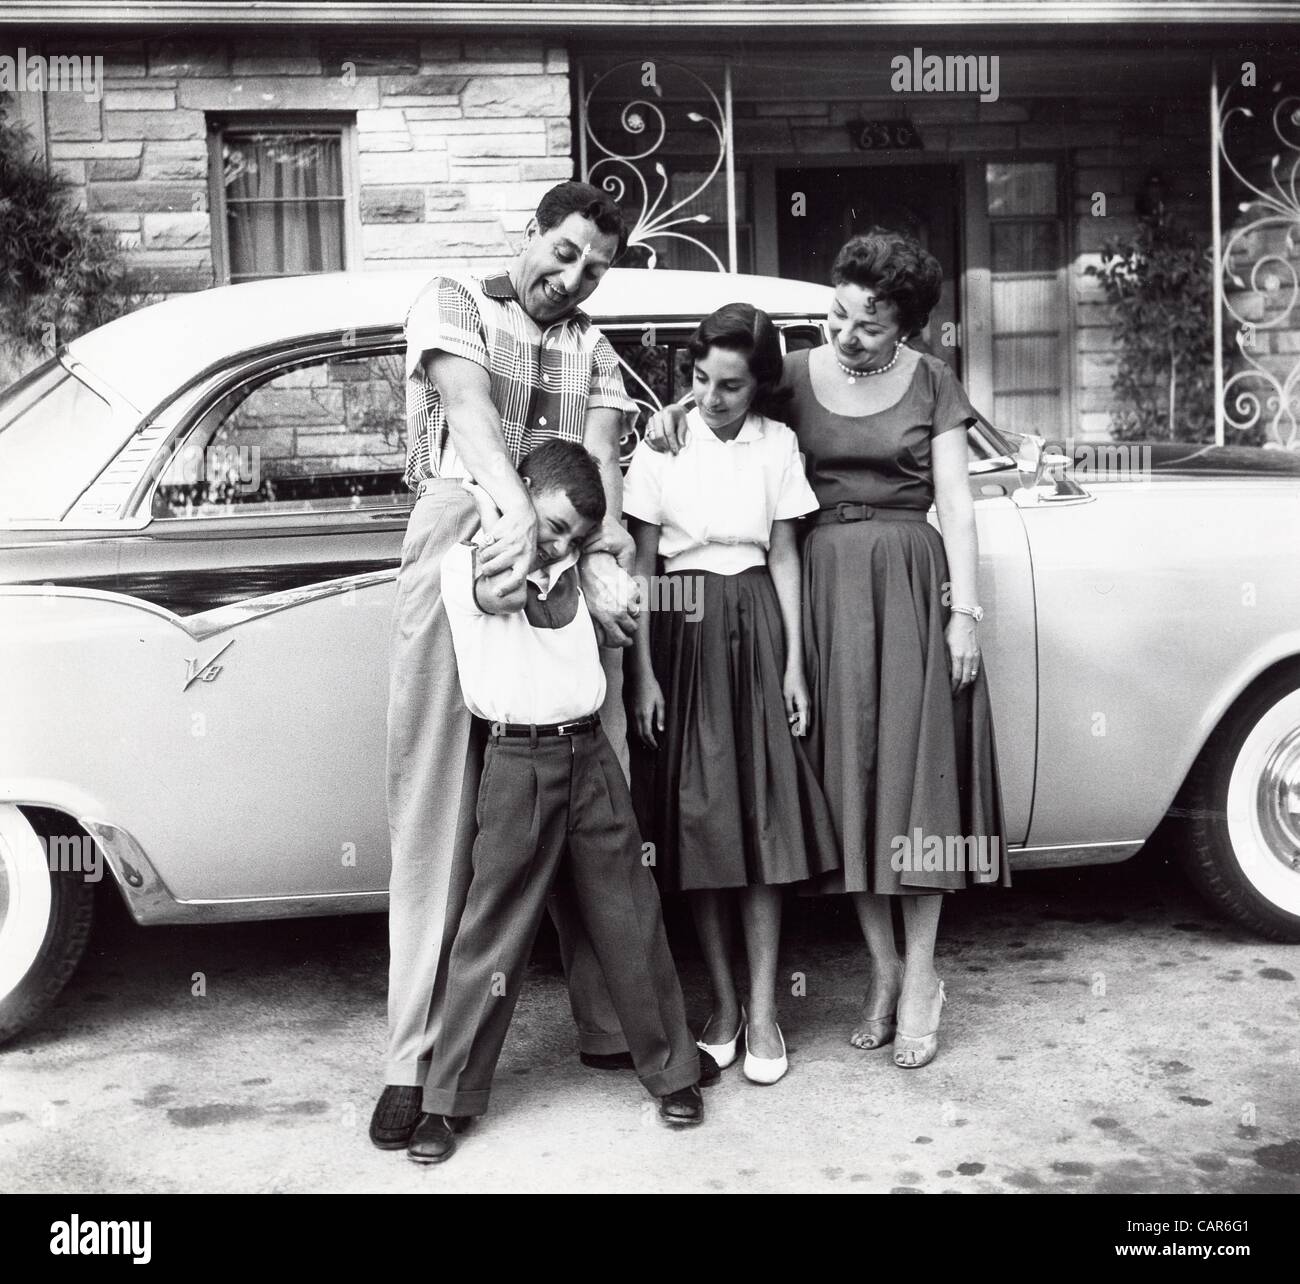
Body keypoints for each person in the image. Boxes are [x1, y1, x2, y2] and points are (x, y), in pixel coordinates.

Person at [645, 228, 1007, 1071]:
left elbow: (955, 503)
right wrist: (667, 415)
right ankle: (879, 971)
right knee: (848, 780)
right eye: (837, 314)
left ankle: (921, 976)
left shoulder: (936, 383)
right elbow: (719, 412)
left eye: (869, 326)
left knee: (918, 784)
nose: (846, 335)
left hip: (911, 589)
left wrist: (965, 614)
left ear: (907, 329)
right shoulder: (796, 376)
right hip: (815, 594)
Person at [374, 182, 647, 1155]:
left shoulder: (595, 352)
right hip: (463, 536)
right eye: (562, 251)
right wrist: (514, 519)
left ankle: (613, 1023)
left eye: (592, 270)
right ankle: (412, 1058)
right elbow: (469, 413)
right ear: (531, 233)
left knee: (587, 776)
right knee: (438, 802)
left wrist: (608, 570)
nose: (569, 278)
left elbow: (606, 486)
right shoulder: (453, 298)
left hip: (561, 557)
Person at [408, 441, 704, 1163]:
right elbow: (503, 585)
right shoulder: (471, 563)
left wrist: (597, 554)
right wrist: (534, 533)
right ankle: (447, 1101)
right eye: (551, 523)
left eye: (571, 535)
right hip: (517, 766)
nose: (558, 543)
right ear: (518, 498)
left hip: (590, 760)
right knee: (492, 933)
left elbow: (607, 567)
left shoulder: (579, 564)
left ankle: (672, 1071)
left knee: (631, 913)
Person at [623, 304, 840, 1086]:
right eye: (700, 380)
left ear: (760, 386)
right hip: (680, 630)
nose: (713, 397)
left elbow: (784, 556)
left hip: (753, 623)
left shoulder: (777, 444)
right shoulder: (661, 443)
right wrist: (642, 672)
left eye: (732, 385)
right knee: (699, 828)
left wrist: (795, 666)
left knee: (758, 829)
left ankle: (764, 1010)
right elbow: (642, 565)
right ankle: (719, 1004)